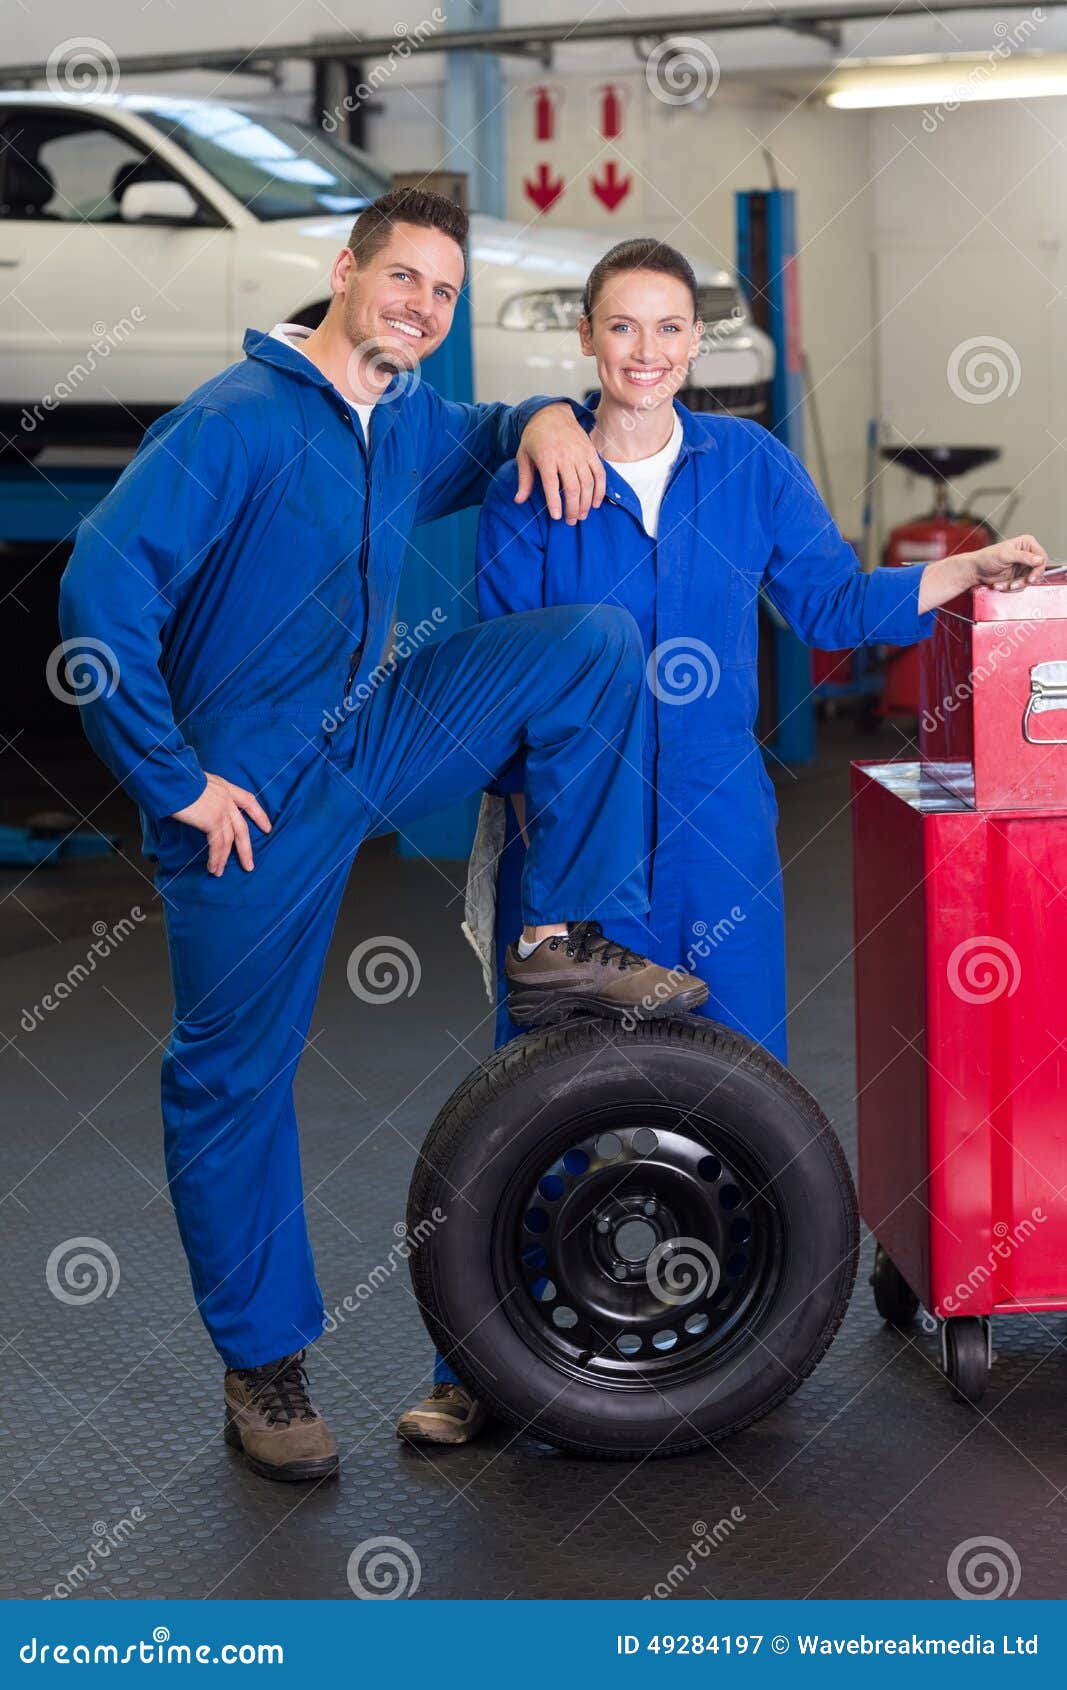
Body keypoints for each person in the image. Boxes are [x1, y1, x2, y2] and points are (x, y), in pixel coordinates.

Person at [58, 195, 708, 1485]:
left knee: (587, 644)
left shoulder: (401, 417)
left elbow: (482, 435)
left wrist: (535, 413)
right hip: (246, 803)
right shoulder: (236, 421)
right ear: (343, 272)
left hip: (372, 734)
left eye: (443, 291)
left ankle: (557, 938)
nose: (421, 304)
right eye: (402, 277)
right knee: (230, 1080)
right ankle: (263, 1365)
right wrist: (174, 781)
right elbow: (97, 587)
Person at [395, 234, 1048, 1446]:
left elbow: (826, 604)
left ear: (695, 345)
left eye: (667, 328)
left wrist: (962, 566)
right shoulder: (526, 483)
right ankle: (476, 1366)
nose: (645, 351)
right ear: (586, 340)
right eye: (621, 327)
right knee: (535, 1089)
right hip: (572, 825)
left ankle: (745, 1344)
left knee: (740, 1082)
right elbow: (500, 671)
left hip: (716, 824)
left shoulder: (746, 467)